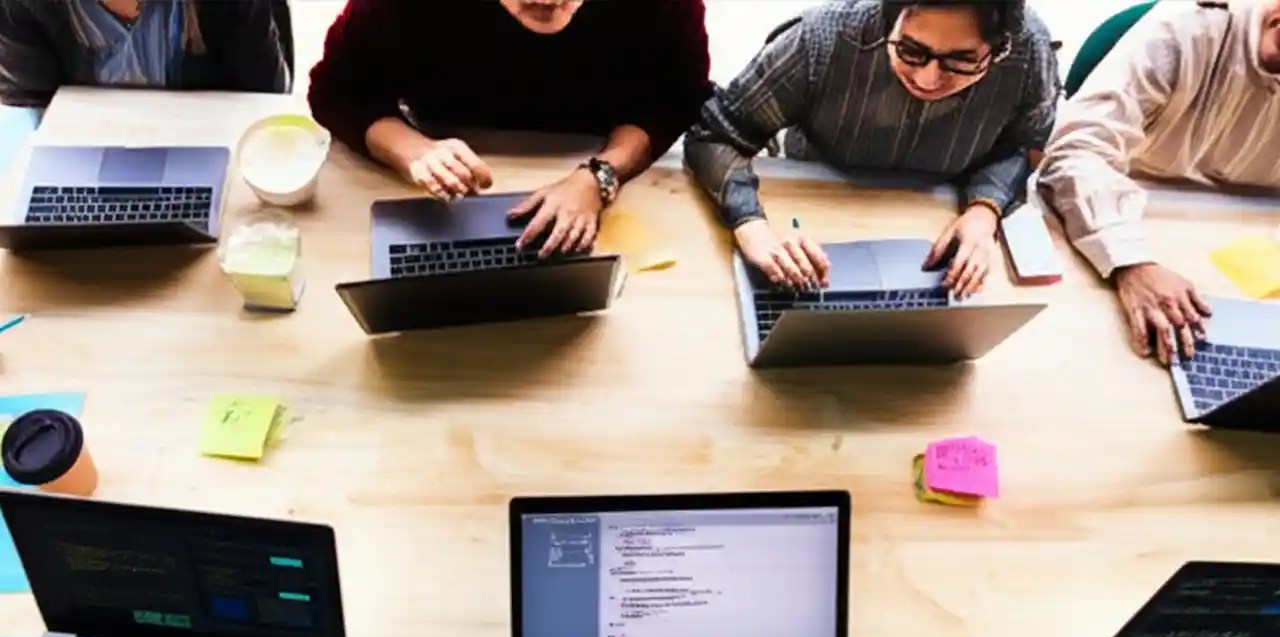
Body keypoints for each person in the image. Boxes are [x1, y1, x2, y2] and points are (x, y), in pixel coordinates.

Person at [684, 0, 1058, 296]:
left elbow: (1023, 144)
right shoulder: (821, 40)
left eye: (960, 60)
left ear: (1001, 48)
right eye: (912, 51)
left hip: (937, 226)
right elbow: (716, 133)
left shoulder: (1030, 52)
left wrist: (984, 209)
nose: (929, 78)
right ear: (888, 20)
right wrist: (751, 225)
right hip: (814, 217)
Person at [308, 0, 712, 256]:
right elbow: (337, 88)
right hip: (448, 194)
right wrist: (413, 149)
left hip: (601, 155)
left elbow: (675, 97)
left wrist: (602, 173)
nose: (547, 2)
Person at [1038, 0, 1280, 366]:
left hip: (1248, 262)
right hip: (1122, 228)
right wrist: (1131, 263)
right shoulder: (1188, 27)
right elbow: (1075, 150)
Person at [0, 0, 292, 108]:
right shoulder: (21, 7)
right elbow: (30, 109)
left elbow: (263, 101)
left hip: (208, 159)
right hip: (79, 171)